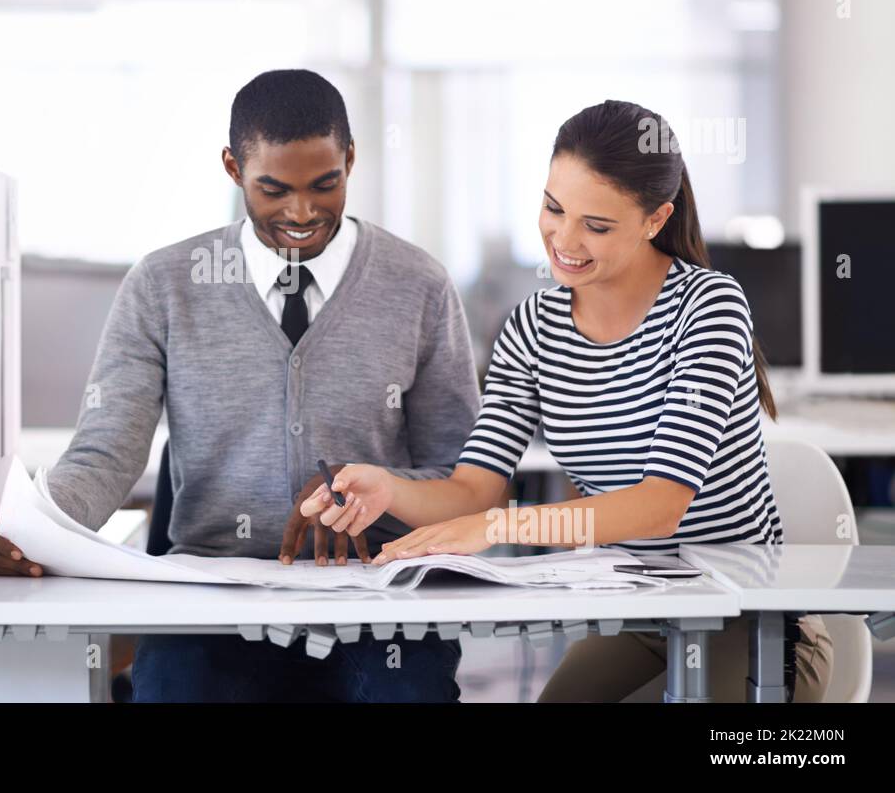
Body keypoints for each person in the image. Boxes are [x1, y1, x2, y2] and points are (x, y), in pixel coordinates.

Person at [0, 68, 481, 702]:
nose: (301, 214)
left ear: (351, 159)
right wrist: (28, 528)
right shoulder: (164, 284)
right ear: (233, 169)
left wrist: (374, 491)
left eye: (326, 185)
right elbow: (106, 453)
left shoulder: (419, 285)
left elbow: (462, 476)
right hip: (210, 598)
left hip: (379, 593)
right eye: (274, 189)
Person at [299, 99, 833, 702]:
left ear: (656, 219)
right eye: (553, 208)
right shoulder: (533, 327)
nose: (564, 240)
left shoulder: (708, 308)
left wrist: (499, 525)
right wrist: (391, 489)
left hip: (751, 614)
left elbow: (660, 507)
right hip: (641, 612)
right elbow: (475, 489)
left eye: (596, 226)